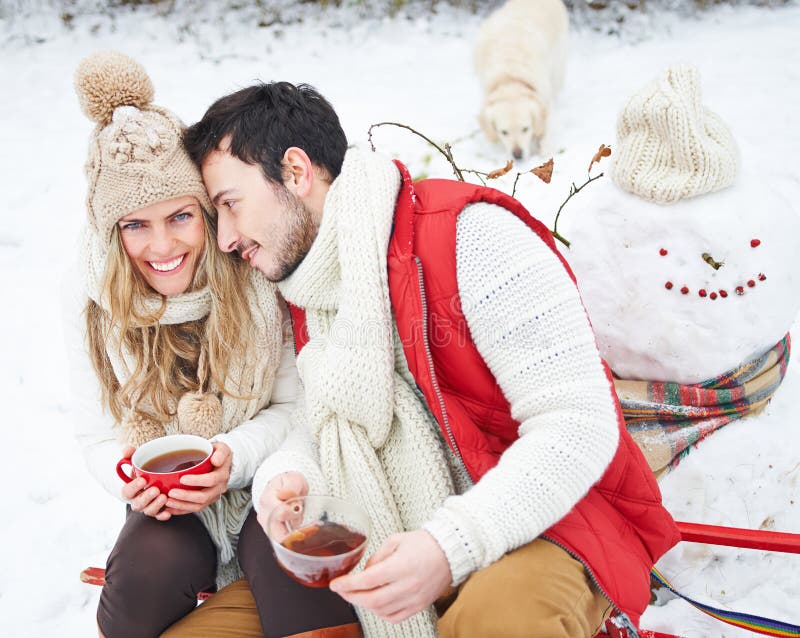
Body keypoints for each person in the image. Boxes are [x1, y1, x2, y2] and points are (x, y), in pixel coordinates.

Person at [183, 81, 681, 638]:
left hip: (543, 528)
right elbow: (324, 417)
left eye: (230, 205)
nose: (224, 238)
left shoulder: (473, 236)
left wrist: (449, 546)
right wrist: (287, 476)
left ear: (296, 172)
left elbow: (579, 424)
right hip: (389, 541)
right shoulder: (307, 289)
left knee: (493, 623)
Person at [69, 54, 355, 638]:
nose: (162, 245)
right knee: (142, 577)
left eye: (180, 217)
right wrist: (128, 478)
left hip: (272, 467)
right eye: (134, 226)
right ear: (111, 231)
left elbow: (293, 405)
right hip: (171, 493)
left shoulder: (253, 273)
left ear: (205, 210)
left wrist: (233, 458)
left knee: (291, 559)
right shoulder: (97, 304)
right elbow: (96, 432)